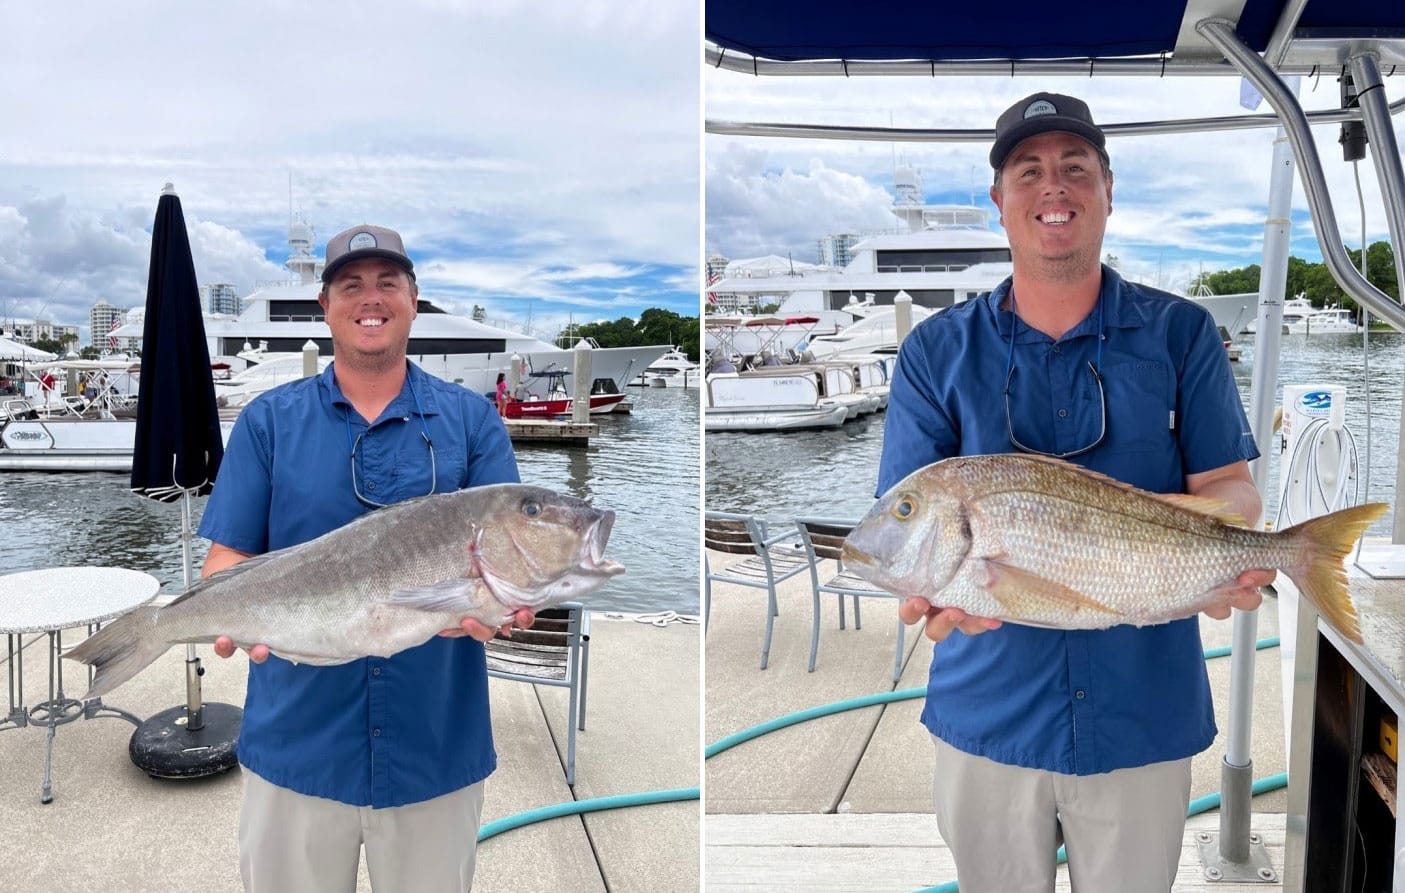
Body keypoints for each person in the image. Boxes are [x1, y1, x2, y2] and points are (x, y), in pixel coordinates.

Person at [878, 93, 1272, 891]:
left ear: (1107, 189)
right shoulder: (934, 351)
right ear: (998, 200)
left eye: (1074, 168)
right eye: (1028, 171)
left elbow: (1230, 488)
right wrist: (931, 592)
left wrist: (1212, 553)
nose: (1052, 188)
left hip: (1140, 707)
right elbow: (907, 505)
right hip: (987, 712)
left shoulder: (1181, 332)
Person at [197, 224, 533, 892]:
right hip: (297, 742)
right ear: (325, 306)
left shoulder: (472, 421)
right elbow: (223, 565)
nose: (369, 299)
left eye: (387, 282)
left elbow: (509, 568)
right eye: (351, 285)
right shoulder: (268, 421)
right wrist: (242, 619)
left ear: (413, 299)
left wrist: (505, 608)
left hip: (434, 747)